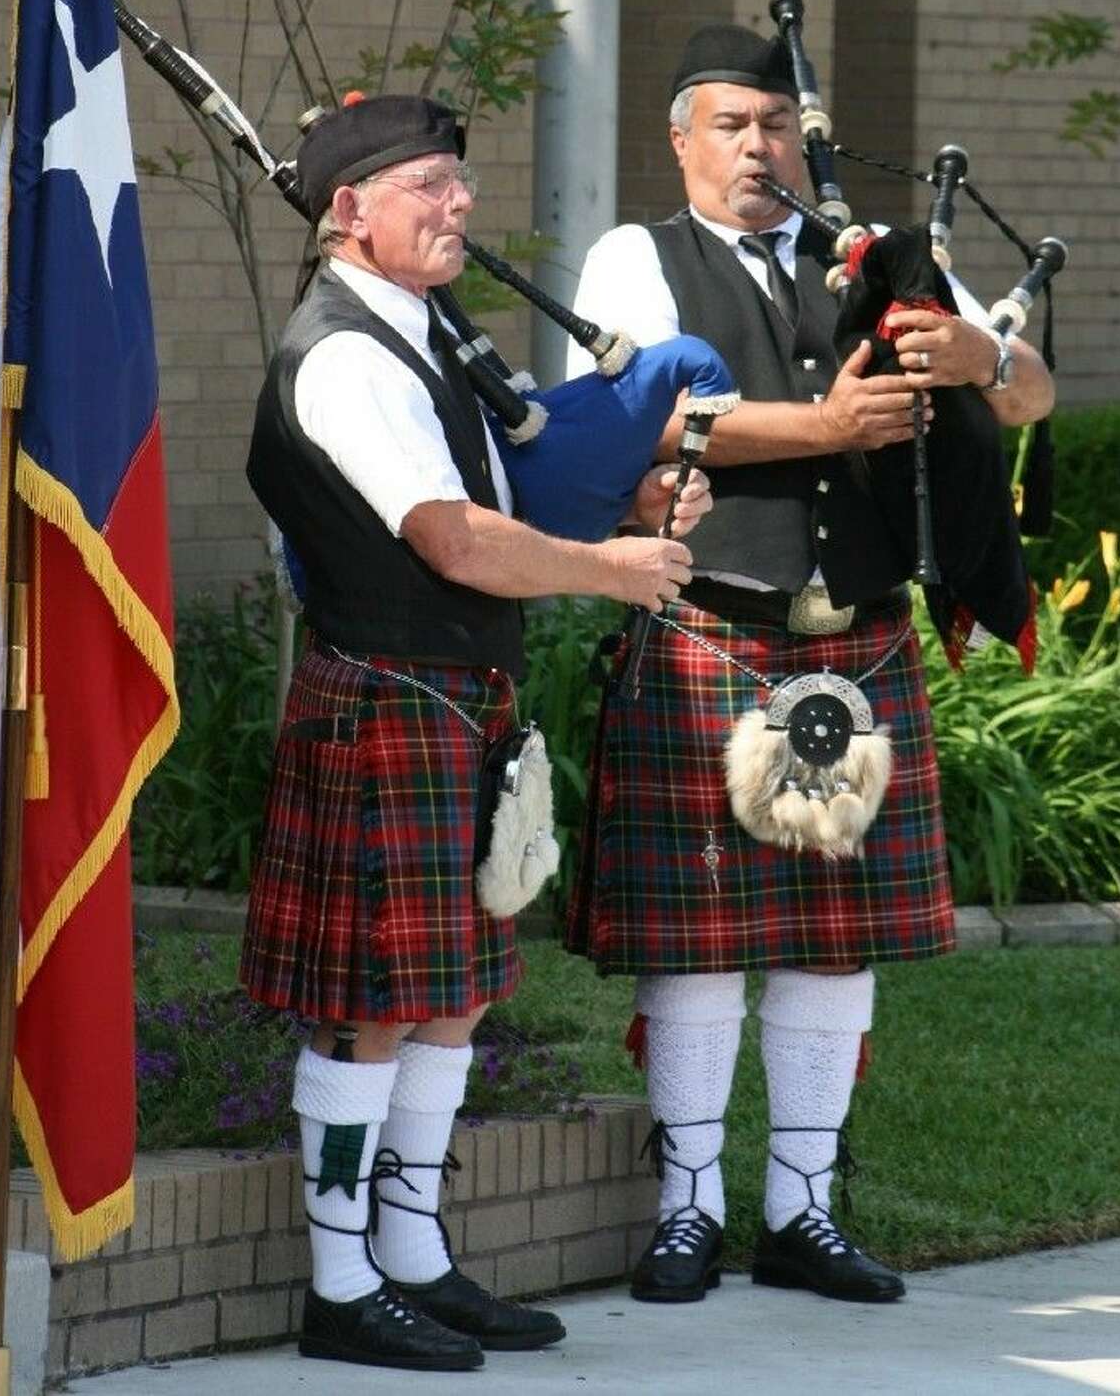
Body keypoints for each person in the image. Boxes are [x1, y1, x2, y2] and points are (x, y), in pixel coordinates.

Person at [565, 24, 1055, 1307]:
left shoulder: (886, 259)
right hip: (715, 628)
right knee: (703, 944)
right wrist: (830, 426)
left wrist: (979, 356)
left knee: (833, 945)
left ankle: (800, 1212)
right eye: (729, 125)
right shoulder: (639, 259)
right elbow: (639, 417)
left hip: (864, 637)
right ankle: (685, 1212)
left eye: (775, 125)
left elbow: (1033, 396)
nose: (757, 147)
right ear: (680, 142)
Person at [241, 91, 709, 1372]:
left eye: (459, 182)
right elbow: (449, 537)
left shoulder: (428, 335)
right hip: (384, 704)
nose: (460, 207)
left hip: (452, 709)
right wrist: (611, 569)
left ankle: (414, 1256)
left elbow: (508, 489)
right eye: (427, 186)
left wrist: (642, 486)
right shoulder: (342, 354)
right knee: (370, 1014)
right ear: (349, 212)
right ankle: (339, 1285)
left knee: (447, 1007)